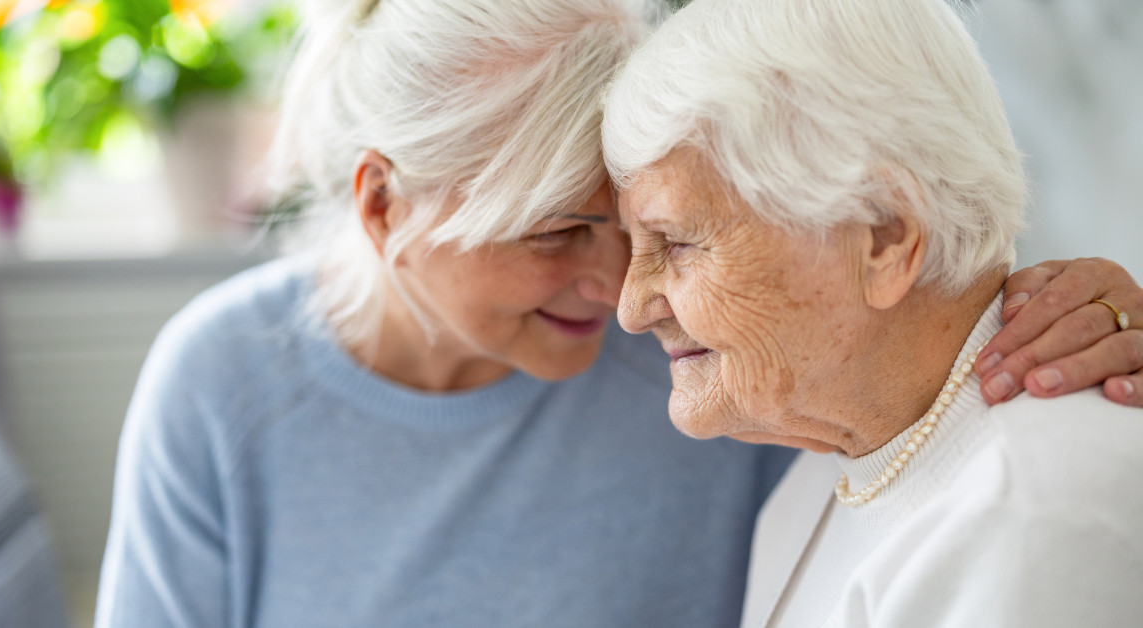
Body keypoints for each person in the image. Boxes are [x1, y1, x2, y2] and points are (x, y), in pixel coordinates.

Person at [95, 0, 1143, 626]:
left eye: (645, 230)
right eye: (556, 231)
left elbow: (907, 361)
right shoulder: (222, 386)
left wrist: (1060, 303)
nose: (617, 293)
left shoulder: (699, 365)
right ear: (382, 205)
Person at [601, 0, 1143, 626]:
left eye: (678, 242)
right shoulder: (826, 462)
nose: (631, 308)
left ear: (883, 239)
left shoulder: (1034, 510)